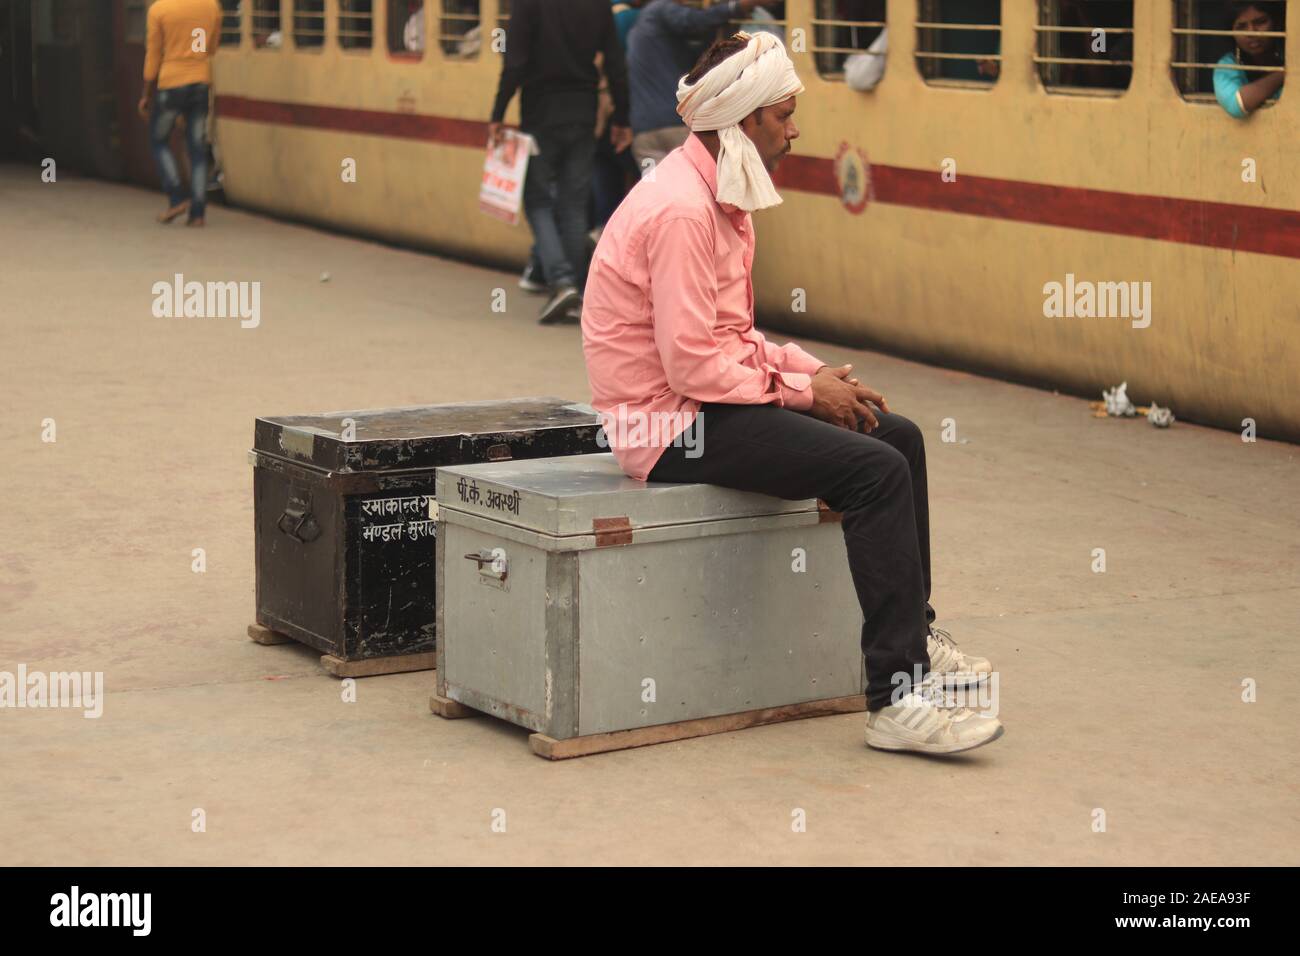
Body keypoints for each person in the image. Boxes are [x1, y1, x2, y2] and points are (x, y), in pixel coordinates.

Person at [582, 32, 1004, 756]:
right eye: (783, 115)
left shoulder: (713, 192)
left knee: (894, 434)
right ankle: (894, 701)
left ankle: (917, 637)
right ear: (743, 122)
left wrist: (813, 375)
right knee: (875, 470)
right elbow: (692, 368)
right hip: (670, 429)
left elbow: (732, 337)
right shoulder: (684, 212)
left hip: (705, 407)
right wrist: (804, 395)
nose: (795, 129)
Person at [489, 0, 632, 325]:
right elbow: (615, 64)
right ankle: (576, 290)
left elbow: (515, 63)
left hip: (541, 114)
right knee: (573, 203)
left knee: (537, 199)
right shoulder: (597, 7)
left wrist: (497, 114)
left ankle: (561, 281)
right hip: (583, 114)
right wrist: (622, 118)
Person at [627, 0, 771, 168]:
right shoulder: (659, 10)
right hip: (676, 125)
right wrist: (736, 7)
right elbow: (693, 21)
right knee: (692, 188)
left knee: (654, 189)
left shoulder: (644, 32)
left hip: (644, 133)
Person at [138, 0, 223, 227]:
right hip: (201, 81)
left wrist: (146, 94)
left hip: (172, 83)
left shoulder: (160, 9)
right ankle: (198, 214)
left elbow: (153, 55)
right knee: (196, 148)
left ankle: (176, 198)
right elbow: (212, 47)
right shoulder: (211, 6)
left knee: (159, 140)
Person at [1215, 1, 1285, 119]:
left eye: (1260, 22)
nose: (1251, 32)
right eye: (1241, 26)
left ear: (1275, 23)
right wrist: (1285, 73)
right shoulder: (1228, 64)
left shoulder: (1291, 55)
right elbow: (1235, 105)